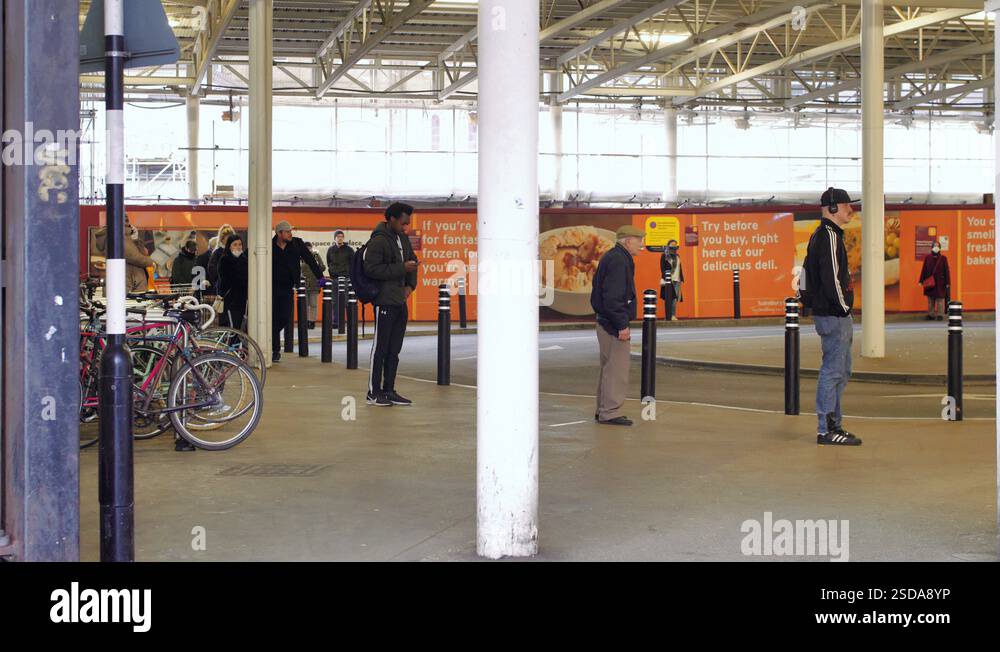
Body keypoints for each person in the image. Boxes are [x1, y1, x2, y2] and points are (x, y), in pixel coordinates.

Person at [804, 187, 862, 446]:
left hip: (835, 315)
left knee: (841, 370)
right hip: (833, 315)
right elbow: (831, 278)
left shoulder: (830, 235)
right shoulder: (827, 235)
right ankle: (826, 429)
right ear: (833, 207)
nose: (851, 209)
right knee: (832, 371)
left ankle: (834, 424)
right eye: (846, 205)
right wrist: (843, 308)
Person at [363, 202, 419, 407]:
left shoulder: (402, 239)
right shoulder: (378, 241)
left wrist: (410, 286)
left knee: (394, 349)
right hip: (384, 301)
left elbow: (413, 262)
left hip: (399, 300)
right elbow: (371, 269)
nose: (406, 228)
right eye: (403, 223)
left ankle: (389, 389)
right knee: (381, 348)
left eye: (407, 224)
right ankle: (373, 392)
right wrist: (401, 268)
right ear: (392, 219)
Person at [590, 225, 643, 426]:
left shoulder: (612, 257)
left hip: (604, 321)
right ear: (628, 241)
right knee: (616, 369)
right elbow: (613, 297)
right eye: (639, 240)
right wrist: (622, 325)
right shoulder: (619, 260)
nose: (642, 245)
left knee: (608, 368)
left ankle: (602, 409)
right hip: (612, 324)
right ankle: (610, 412)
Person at [272, 220, 325, 362]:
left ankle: (269, 336)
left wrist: (321, 278)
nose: (290, 234)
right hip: (272, 287)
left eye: (291, 231)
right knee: (274, 318)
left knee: (284, 317)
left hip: (288, 287)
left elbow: (310, 260)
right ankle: (275, 350)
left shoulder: (297, 243)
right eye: (287, 231)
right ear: (279, 233)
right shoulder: (270, 246)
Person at [217, 234, 249, 330]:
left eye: (240, 244)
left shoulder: (245, 259)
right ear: (229, 246)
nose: (238, 247)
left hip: (244, 301)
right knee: (233, 328)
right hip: (231, 302)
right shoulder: (225, 259)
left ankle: (238, 345)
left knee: (242, 328)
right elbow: (225, 281)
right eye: (235, 244)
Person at [918, 241, 950, 321]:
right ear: (932, 247)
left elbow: (947, 271)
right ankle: (931, 314)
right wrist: (921, 281)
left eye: (937, 246)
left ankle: (940, 315)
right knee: (930, 300)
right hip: (930, 282)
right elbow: (924, 270)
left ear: (940, 248)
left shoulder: (943, 258)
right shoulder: (927, 258)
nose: (936, 247)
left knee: (940, 300)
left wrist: (948, 282)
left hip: (940, 283)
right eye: (934, 245)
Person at [301, 242, 327, 329]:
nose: (308, 250)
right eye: (306, 248)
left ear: (311, 248)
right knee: (304, 304)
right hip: (303, 284)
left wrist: (315, 266)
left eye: (309, 248)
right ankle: (305, 321)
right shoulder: (300, 257)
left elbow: (323, 267)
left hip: (314, 283)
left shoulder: (316, 256)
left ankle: (312, 321)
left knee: (313, 304)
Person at [659, 239, 684, 320]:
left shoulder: (677, 256)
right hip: (669, 280)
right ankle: (668, 316)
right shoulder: (665, 256)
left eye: (675, 245)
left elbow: (679, 268)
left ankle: (672, 315)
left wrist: (681, 278)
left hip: (677, 280)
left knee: (674, 299)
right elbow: (662, 268)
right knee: (669, 298)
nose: (674, 246)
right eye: (672, 244)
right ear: (668, 245)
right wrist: (664, 278)